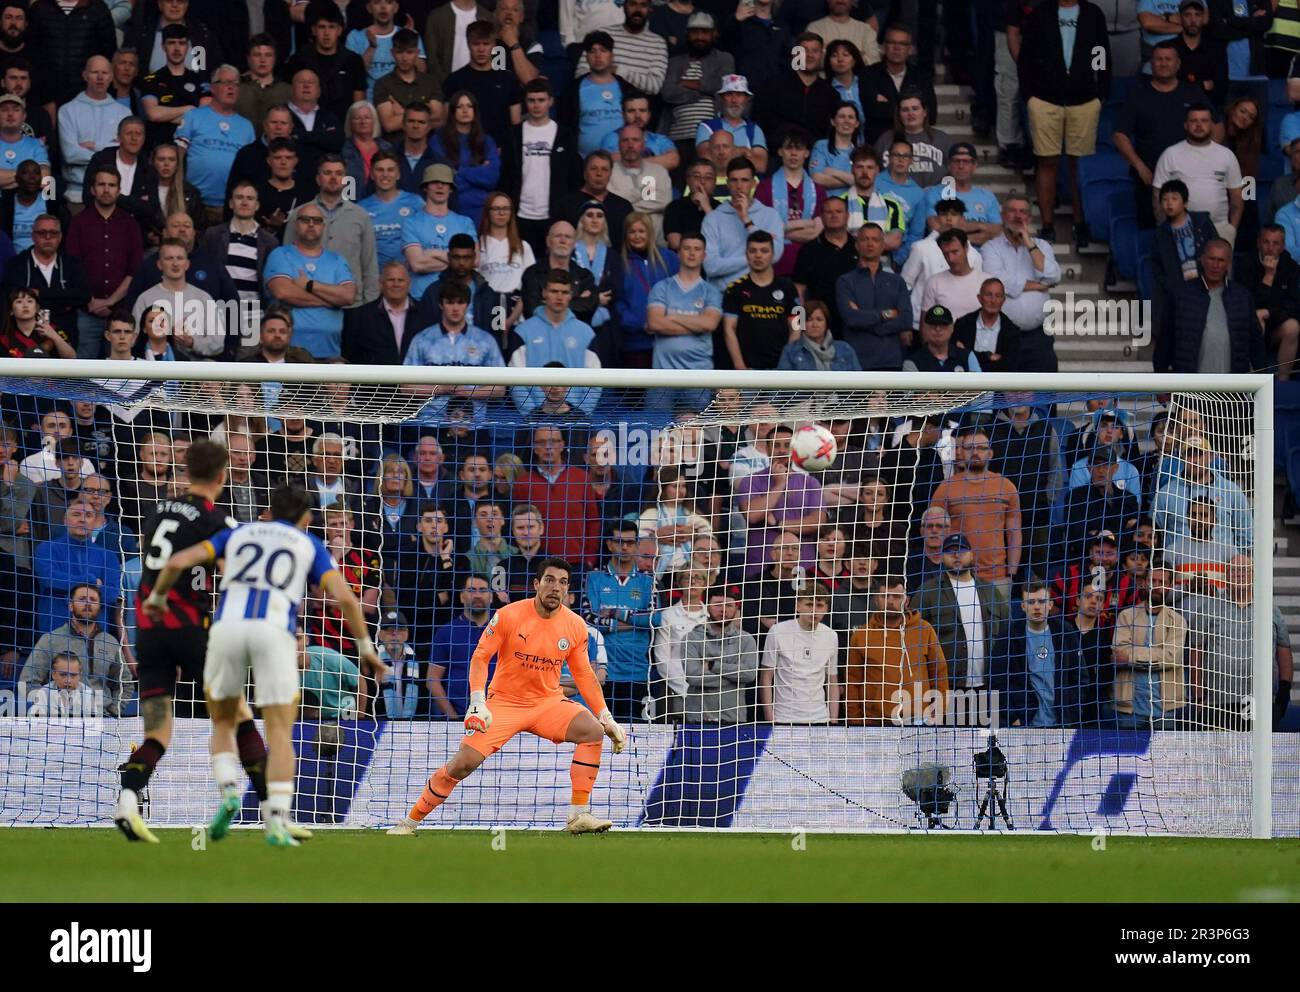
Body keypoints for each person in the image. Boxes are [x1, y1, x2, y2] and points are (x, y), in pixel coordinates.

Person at [142, 482, 385, 847]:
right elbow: (347, 600)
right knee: (279, 732)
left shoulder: (236, 532)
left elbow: (177, 561)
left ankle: (227, 788)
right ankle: (276, 819)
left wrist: (158, 597)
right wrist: (366, 647)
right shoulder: (309, 544)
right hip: (274, 634)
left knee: (224, 720)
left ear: (270, 508)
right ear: (306, 517)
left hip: (226, 630)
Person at [387, 557, 626, 836]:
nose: (555, 588)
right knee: (462, 765)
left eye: (562, 582)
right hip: (504, 703)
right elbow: (480, 657)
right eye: (549, 580)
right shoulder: (509, 615)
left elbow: (584, 674)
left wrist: (605, 716)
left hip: (547, 703)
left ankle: (579, 814)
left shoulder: (574, 626)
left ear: (568, 589)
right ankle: (409, 822)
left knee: (593, 732)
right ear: (537, 584)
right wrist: (477, 701)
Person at [111, 441, 251, 841]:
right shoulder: (216, 519)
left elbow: (158, 561)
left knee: (158, 731)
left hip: (149, 631)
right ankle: (255, 801)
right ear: (222, 475)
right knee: (235, 713)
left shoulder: (156, 512)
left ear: (184, 471)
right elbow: (230, 571)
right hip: (191, 628)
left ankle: (128, 797)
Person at [1020, 0, 1112, 245]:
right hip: (1044, 99)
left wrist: (1100, 92)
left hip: (1084, 100)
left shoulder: (1092, 13)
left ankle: (1081, 224)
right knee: (1046, 161)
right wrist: (1029, 94)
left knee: (1078, 165)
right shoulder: (1040, 13)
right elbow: (1026, 56)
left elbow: (1100, 52)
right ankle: (1048, 226)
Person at [1112, 43, 1210, 229]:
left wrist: (1205, 159)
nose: (1163, 64)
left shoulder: (1193, 92)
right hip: (1149, 178)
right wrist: (1140, 167)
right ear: (1151, 63)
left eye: (1168, 59)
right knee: (1152, 236)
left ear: (1178, 64)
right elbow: (1119, 135)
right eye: (1159, 59)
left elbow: (1216, 126)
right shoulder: (1137, 95)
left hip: (1189, 176)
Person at [911, 532, 1008, 692]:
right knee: (951, 719)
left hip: (989, 685)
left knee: (986, 718)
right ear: (941, 557)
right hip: (946, 686)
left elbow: (1007, 633)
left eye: (962, 550)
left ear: (971, 555)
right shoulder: (927, 592)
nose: (956, 555)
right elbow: (914, 639)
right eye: (950, 551)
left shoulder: (990, 591)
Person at [930, 426, 1023, 594]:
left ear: (990, 453)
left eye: (981, 448)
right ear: (961, 452)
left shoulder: (1007, 487)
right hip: (956, 577)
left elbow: (1014, 532)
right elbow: (932, 533)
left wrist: (1011, 573)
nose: (975, 452)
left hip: (998, 577)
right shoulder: (945, 488)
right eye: (969, 448)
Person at [846, 575, 948, 726]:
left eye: (897, 596)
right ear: (876, 599)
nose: (891, 601)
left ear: (906, 601)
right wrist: (854, 718)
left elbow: (939, 672)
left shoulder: (924, 630)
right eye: (885, 596)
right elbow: (852, 680)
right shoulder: (862, 634)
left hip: (919, 719)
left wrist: (938, 711)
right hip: (875, 721)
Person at [65, 166, 144, 358]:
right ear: (92, 189)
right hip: (86, 311)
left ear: (119, 190)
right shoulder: (79, 222)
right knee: (85, 373)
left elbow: (134, 270)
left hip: (120, 314)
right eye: (101, 184)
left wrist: (110, 301)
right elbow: (72, 268)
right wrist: (91, 301)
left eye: (111, 185)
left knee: (119, 377)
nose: (106, 190)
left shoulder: (130, 224)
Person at [264, 203, 358, 359]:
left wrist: (310, 285)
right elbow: (283, 292)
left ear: (324, 226)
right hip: (289, 355)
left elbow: (348, 296)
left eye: (317, 220)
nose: (311, 224)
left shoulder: (337, 260)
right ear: (295, 224)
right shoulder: (280, 254)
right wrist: (329, 300)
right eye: (305, 219)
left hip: (330, 354)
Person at [501, 78, 582, 257]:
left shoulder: (566, 135)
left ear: (550, 101)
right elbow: (506, 176)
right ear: (525, 102)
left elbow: (573, 177)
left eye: (541, 100)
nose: (536, 105)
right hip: (520, 214)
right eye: (531, 100)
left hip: (553, 214)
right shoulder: (513, 135)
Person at [19, 583, 126, 716]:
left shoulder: (110, 642)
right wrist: (52, 707)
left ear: (99, 607)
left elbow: (125, 682)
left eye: (93, 600)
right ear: (70, 605)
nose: (87, 603)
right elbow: (27, 682)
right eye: (82, 599)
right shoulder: (51, 640)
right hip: (58, 720)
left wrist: (113, 710)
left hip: (102, 719)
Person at [1165, 238, 1267, 373]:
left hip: (1231, 389)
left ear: (1228, 264)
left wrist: (1264, 384)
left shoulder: (1242, 297)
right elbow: (1165, 342)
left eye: (1221, 260)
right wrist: (1161, 385)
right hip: (1190, 388)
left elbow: (1256, 345)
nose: (1215, 265)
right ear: (1202, 260)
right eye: (1211, 259)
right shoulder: (1181, 295)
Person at [1112, 559, 1188, 729]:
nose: (1156, 585)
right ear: (1144, 583)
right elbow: (1118, 654)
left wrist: (1132, 657)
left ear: (1170, 586)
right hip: (1129, 710)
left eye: (1162, 582)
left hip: (1166, 710)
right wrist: (1156, 655)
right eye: (1152, 581)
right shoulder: (1126, 616)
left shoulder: (1177, 621)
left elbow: (1171, 658)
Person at [1152, 103, 1244, 243]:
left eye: (1204, 120)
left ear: (1212, 125)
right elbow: (1157, 195)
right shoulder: (1170, 154)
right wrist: (1165, 229)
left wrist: (1232, 229)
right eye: (1194, 121)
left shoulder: (1227, 155)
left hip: (1220, 229)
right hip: (1179, 229)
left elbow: (1237, 198)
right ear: (1186, 125)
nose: (1199, 125)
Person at [58, 56, 131, 211]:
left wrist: (95, 147)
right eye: (94, 72)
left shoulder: (124, 113)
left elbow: (126, 153)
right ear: (84, 75)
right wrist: (109, 150)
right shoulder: (67, 111)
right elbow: (70, 154)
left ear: (111, 76)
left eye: (104, 72)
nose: (100, 77)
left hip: (116, 196)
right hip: (76, 196)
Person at [836, 222, 912, 370]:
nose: (870, 243)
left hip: (891, 361)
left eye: (875, 240)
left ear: (883, 245)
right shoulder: (845, 281)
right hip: (856, 362)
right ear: (857, 245)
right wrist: (886, 314)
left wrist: (868, 321)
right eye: (865, 239)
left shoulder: (896, 281)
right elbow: (852, 318)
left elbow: (906, 319)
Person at [702, 156, 785, 292]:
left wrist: (747, 220)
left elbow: (775, 256)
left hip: (760, 294)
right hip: (722, 295)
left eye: (744, 180)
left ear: (753, 183)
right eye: (734, 180)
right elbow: (711, 267)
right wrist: (757, 259)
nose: (739, 186)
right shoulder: (713, 218)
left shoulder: (770, 215)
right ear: (727, 183)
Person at [760, 582, 839, 724]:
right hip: (783, 719)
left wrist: (833, 721)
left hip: (820, 719)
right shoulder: (777, 631)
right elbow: (766, 677)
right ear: (798, 606)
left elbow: (832, 681)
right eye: (809, 605)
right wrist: (770, 719)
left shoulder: (831, 635)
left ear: (826, 609)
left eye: (819, 605)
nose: (814, 610)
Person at [2, 215, 91, 339]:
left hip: (66, 334)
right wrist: (63, 302)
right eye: (42, 232)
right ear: (33, 236)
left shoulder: (72, 263)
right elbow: (12, 297)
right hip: (26, 336)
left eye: (53, 233)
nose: (48, 237)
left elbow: (83, 296)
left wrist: (40, 294)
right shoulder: (17, 264)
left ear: (60, 237)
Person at [682, 583, 760, 725]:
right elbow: (693, 676)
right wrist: (734, 677)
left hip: (734, 719)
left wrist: (713, 666)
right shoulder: (692, 638)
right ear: (707, 606)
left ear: (737, 608)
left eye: (729, 605)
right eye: (718, 604)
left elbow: (749, 674)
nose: (723, 610)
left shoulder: (746, 640)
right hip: (697, 719)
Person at [442, 20, 522, 148]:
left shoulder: (508, 79)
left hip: (501, 152)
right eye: (476, 44)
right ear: (468, 45)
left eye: (486, 44)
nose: (481, 49)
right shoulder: (454, 80)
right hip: (465, 151)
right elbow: (447, 122)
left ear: (494, 45)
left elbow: (515, 124)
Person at [1236, 224, 1300, 379]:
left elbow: (1293, 306)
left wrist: (1269, 312)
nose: (1270, 248)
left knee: (1292, 326)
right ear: (1258, 243)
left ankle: (1282, 382)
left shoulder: (1290, 267)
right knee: (1257, 318)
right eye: (1266, 242)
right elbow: (1244, 304)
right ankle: (1252, 381)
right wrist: (1268, 277)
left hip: (1275, 329)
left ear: (1283, 246)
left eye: (1275, 243)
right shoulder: (1246, 263)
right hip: (1248, 327)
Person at [428, 574, 497, 720]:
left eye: (483, 590)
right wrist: (452, 718)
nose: (477, 595)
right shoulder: (446, 632)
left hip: (498, 717)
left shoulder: (505, 629)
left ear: (491, 597)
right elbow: (432, 680)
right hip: (457, 718)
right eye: (471, 590)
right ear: (461, 597)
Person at [861, 24, 938, 145]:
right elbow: (870, 111)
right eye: (892, 42)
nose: (897, 47)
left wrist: (887, 108)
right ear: (883, 47)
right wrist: (912, 112)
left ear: (910, 49)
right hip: (878, 143)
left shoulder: (921, 76)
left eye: (902, 44)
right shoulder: (868, 74)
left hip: (916, 143)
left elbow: (931, 114)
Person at [792, 196, 857, 332]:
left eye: (838, 211)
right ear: (821, 217)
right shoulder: (808, 250)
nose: (834, 215)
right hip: (819, 327)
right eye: (829, 212)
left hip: (856, 324)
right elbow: (798, 291)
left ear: (847, 216)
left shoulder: (859, 247)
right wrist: (798, 327)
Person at [373, 28, 443, 138]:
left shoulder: (431, 81)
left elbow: (439, 118)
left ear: (417, 53)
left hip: (428, 145)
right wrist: (424, 110)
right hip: (395, 147)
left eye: (409, 52)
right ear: (392, 53)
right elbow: (389, 125)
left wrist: (402, 112)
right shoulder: (382, 84)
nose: (404, 58)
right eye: (399, 52)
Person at [903, 304, 982, 372]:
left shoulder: (967, 357)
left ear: (952, 328)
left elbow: (980, 386)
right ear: (925, 328)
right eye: (933, 325)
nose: (938, 329)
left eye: (943, 325)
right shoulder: (912, 362)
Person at [25, 652, 103, 718]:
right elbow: (34, 721)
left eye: (73, 675)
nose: (68, 680)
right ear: (53, 674)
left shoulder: (88, 693)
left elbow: (94, 724)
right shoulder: (44, 692)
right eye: (63, 675)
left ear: (80, 675)